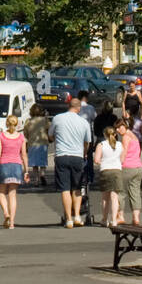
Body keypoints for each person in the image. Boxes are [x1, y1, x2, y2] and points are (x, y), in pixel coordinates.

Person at [48, 96, 92, 227]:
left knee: (65, 189)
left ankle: (68, 218)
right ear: (79, 108)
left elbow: (50, 135)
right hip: (77, 156)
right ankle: (77, 215)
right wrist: (84, 153)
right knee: (77, 187)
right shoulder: (84, 122)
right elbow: (87, 142)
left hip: (61, 155)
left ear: (69, 106)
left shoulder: (57, 118)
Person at [0, 115, 29, 228]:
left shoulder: (1, 136)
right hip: (17, 166)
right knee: (12, 195)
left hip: (4, 165)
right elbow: (23, 155)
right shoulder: (21, 137)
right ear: (17, 124)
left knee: (1, 192)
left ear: (6, 123)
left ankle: (6, 213)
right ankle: (12, 223)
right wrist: (26, 170)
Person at [94, 125, 124, 226]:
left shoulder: (101, 145)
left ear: (104, 135)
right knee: (114, 197)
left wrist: (103, 161)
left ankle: (104, 219)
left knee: (105, 198)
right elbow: (122, 159)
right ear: (115, 134)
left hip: (105, 171)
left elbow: (96, 160)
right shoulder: (119, 145)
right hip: (117, 170)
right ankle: (114, 220)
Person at [116, 115, 142, 225]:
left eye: (119, 127)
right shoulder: (135, 136)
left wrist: (119, 164)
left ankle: (120, 216)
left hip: (127, 167)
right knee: (135, 192)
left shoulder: (125, 137)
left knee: (120, 192)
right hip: (138, 167)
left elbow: (124, 152)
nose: (117, 130)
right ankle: (136, 218)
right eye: (116, 128)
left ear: (125, 126)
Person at [24, 102, 49, 186]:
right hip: (43, 143)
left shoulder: (28, 121)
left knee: (34, 164)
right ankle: (42, 174)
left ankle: (36, 180)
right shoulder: (45, 120)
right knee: (42, 162)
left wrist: (29, 137)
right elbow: (49, 129)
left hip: (32, 144)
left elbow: (25, 133)